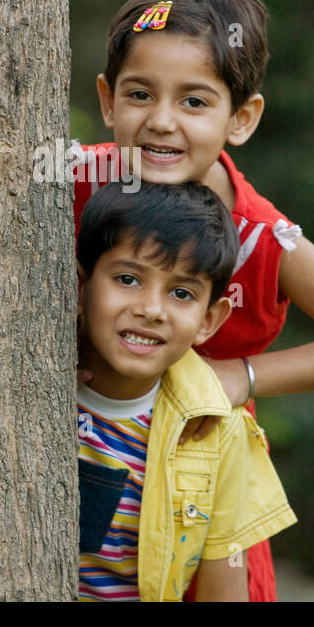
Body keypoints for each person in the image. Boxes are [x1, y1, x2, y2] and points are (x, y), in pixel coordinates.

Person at [74, 0, 314, 601]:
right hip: (85, 440)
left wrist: (240, 378)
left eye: (195, 102)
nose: (162, 122)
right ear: (108, 100)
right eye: (140, 94)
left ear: (242, 118)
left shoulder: (260, 235)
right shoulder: (75, 179)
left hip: (199, 475)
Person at [76, 179, 296, 601]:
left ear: (210, 319)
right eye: (127, 278)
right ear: (80, 287)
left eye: (180, 292)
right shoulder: (22, 389)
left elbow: (223, 591)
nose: (151, 310)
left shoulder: (221, 433)